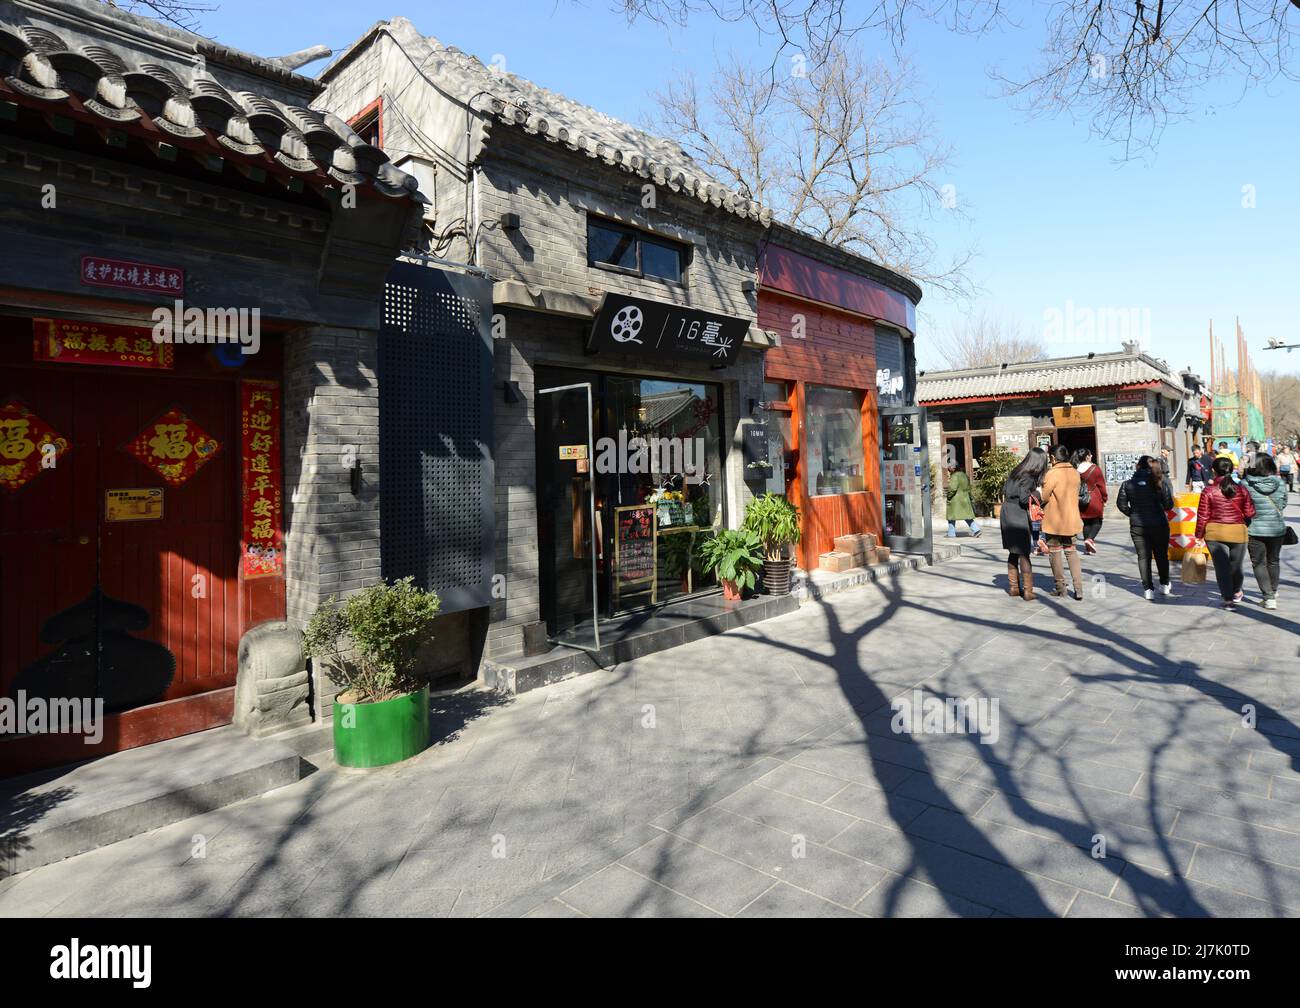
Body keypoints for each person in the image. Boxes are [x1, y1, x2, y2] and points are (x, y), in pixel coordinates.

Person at [1195, 456, 1257, 610]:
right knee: (1236, 566)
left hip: (1215, 533)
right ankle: (1236, 591)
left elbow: (1203, 515)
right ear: (1232, 470)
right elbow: (1250, 512)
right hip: (1238, 532)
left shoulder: (1208, 491)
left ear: (1213, 471)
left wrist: (1198, 535)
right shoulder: (1242, 489)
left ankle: (1228, 600)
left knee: (1221, 567)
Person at [1116, 456, 1174, 600]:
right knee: (1161, 556)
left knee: (1143, 557)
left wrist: (1132, 514)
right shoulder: (1160, 482)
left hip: (1138, 526)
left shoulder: (1127, 484)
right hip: (1159, 524)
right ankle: (1164, 584)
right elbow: (1168, 505)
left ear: (1138, 466)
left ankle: (1148, 589)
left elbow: (1121, 504)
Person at [1000, 448, 1049, 601]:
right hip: (1018, 513)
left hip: (1007, 511)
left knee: (1013, 551)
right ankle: (1028, 591)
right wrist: (1038, 493)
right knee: (1024, 552)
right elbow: (1024, 499)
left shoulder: (1016, 471)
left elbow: (1004, 490)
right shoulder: (1028, 476)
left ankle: (1014, 588)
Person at [1242, 454, 1288, 610]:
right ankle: (1273, 592)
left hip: (1254, 529)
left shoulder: (1244, 484)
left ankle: (1268, 597)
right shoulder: (1280, 483)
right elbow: (1283, 504)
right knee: (1273, 561)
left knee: (1259, 563)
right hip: (1276, 529)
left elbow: (1243, 508)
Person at [1041, 445, 1085, 599]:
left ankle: (1061, 588)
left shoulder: (1052, 473)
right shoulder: (1075, 472)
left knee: (1055, 553)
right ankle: (1078, 588)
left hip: (1055, 520)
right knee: (1071, 552)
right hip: (1072, 519)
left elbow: (1044, 496)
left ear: (1053, 458)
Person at [1072, 447, 1107, 554]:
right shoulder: (1094, 469)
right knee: (1097, 521)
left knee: (1086, 523)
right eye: (1090, 455)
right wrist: (1104, 498)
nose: (1091, 456)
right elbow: (1101, 486)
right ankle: (1090, 539)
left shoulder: (1075, 470)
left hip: (1081, 499)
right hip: (1094, 498)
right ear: (1087, 456)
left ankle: (1088, 549)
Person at [944, 463, 981, 538]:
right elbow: (969, 487)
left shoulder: (954, 476)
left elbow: (953, 488)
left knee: (951, 517)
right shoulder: (964, 475)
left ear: (953, 468)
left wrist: (948, 496)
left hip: (955, 500)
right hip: (965, 498)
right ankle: (976, 530)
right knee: (967, 516)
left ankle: (951, 533)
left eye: (949, 468)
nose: (948, 470)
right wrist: (969, 497)